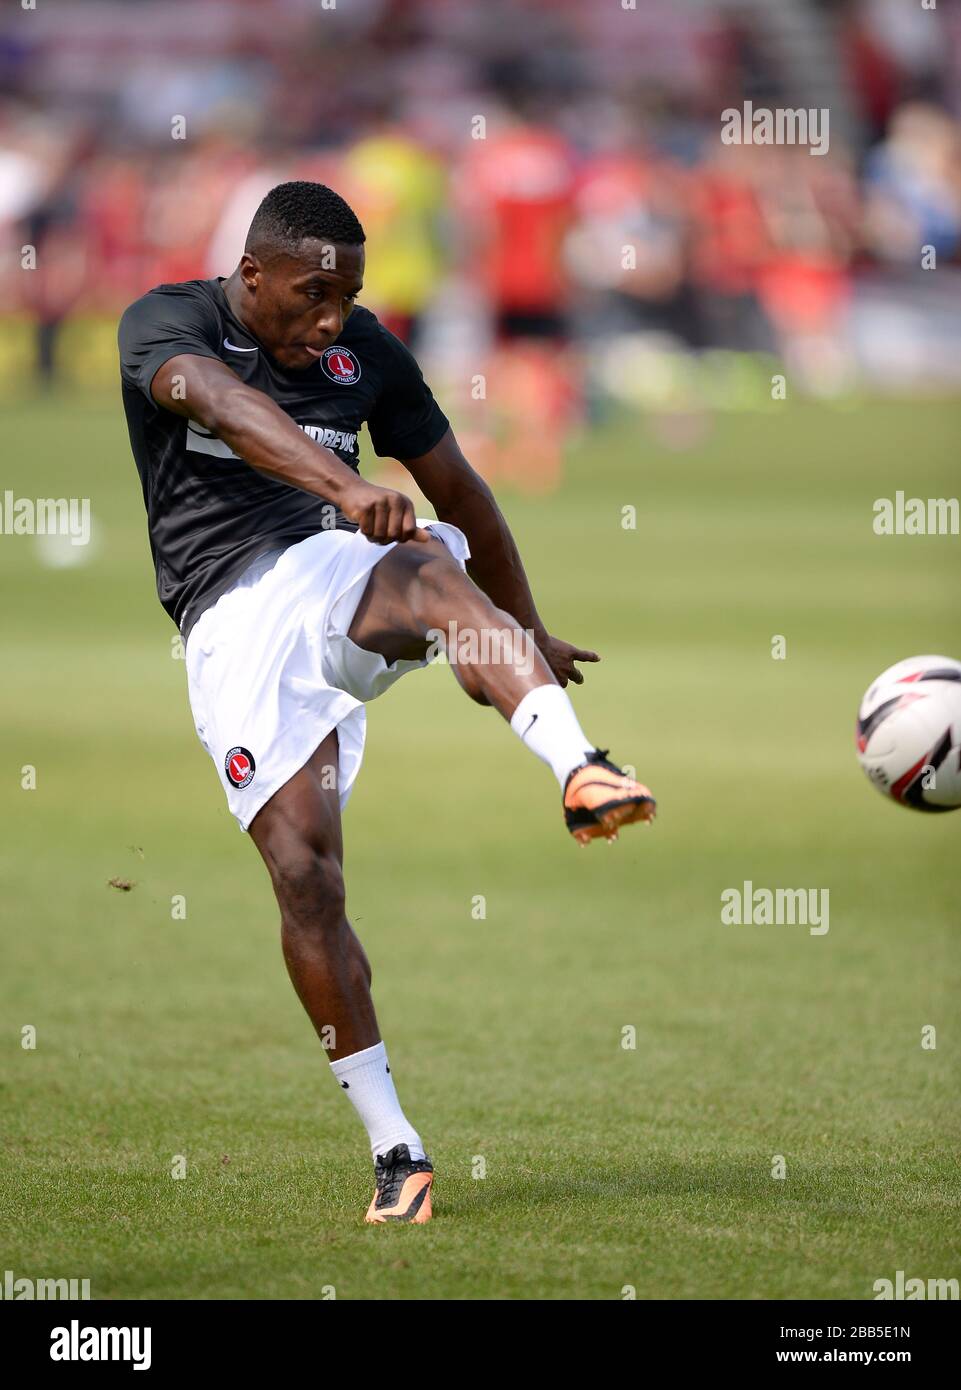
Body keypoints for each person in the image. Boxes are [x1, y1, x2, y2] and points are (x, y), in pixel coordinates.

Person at [118, 181, 655, 1225]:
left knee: (426, 560)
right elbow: (225, 405)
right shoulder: (169, 324)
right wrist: (340, 480)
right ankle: (394, 1147)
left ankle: (580, 765)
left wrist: (526, 624)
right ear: (254, 273)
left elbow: (462, 493)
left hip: (335, 572)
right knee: (304, 876)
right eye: (313, 295)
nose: (330, 321)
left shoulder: (368, 352)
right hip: (229, 624)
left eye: (348, 297)